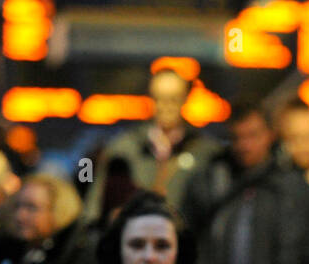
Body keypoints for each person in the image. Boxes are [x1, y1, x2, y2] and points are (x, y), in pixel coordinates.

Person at [182, 101, 309, 264]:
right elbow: (191, 246)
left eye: (253, 135)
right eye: (237, 138)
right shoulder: (210, 183)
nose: (244, 145)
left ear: (270, 135)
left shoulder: (296, 189)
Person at [82, 68, 222, 224]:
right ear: (150, 98)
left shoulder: (205, 152)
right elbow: (93, 208)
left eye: (173, 99)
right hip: (133, 239)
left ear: (185, 99)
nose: (165, 106)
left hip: (186, 241)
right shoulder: (124, 149)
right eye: (159, 99)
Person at [0, 172, 108, 264]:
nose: (20, 216)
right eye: (17, 206)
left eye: (31, 208)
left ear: (58, 210)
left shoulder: (82, 250)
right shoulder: (7, 247)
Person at [96, 191, 205, 264]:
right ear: (118, 250)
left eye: (162, 246)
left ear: (180, 252)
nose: (149, 257)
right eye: (137, 245)